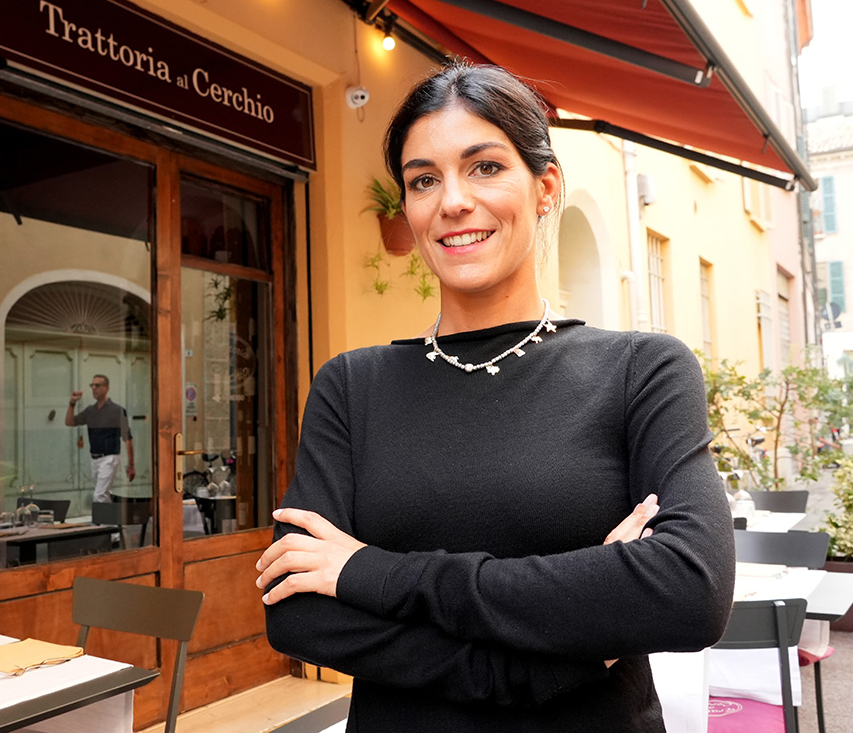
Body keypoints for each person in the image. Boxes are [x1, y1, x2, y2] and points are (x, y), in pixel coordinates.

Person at [256, 63, 734, 732]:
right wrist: (546, 661)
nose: (451, 200)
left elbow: (689, 592)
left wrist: (372, 573)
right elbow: (299, 610)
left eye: (484, 167)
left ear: (545, 187)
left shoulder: (641, 371)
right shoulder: (351, 387)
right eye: (424, 179)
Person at [65, 374, 134, 502]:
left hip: (110, 457)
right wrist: (72, 403)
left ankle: (101, 521)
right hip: (95, 458)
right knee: (104, 494)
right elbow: (69, 422)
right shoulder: (90, 411)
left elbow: (127, 438)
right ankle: (111, 519)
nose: (94, 388)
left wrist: (131, 466)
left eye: (98, 385)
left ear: (106, 388)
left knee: (99, 495)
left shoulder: (117, 410)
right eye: (92, 385)